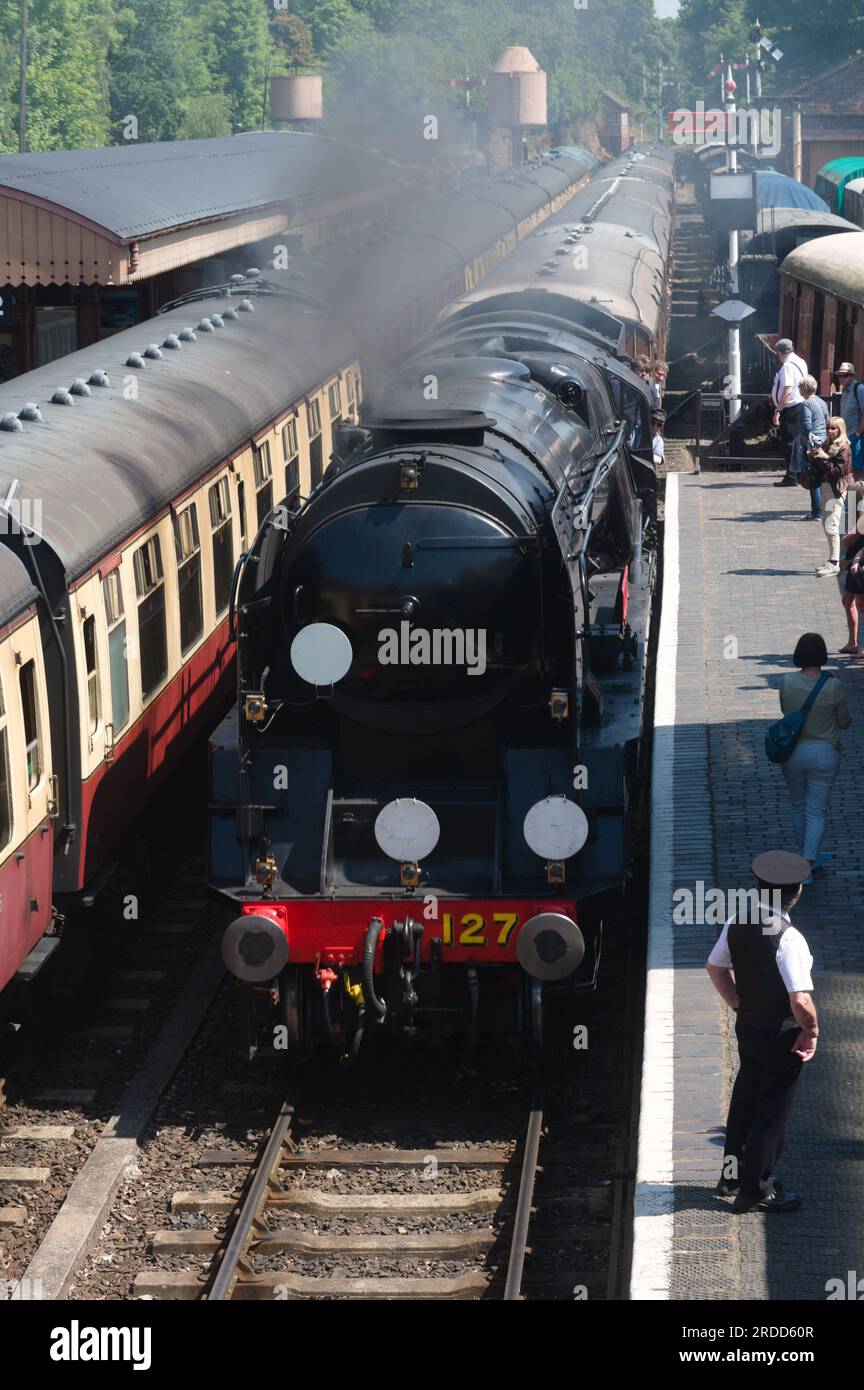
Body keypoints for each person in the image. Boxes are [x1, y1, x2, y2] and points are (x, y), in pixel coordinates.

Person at [707, 850, 818, 1213]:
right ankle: (756, 1190)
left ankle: (731, 1175)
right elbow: (800, 1000)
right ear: (796, 893)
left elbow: (715, 968)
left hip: (749, 1029)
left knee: (745, 1101)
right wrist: (811, 1032)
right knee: (772, 1112)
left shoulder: (737, 921)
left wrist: (738, 1003)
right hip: (780, 1036)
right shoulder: (790, 938)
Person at [778, 632, 850, 869]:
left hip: (793, 752)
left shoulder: (787, 681)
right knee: (816, 810)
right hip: (824, 753)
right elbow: (844, 722)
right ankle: (808, 861)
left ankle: (804, 857)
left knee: (798, 805)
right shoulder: (834, 686)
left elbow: (785, 711)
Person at [808, 416, 852, 576]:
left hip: (837, 488)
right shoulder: (827, 444)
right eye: (828, 428)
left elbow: (836, 471)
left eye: (834, 428)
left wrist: (825, 459)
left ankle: (834, 563)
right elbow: (822, 467)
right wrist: (813, 454)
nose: (830, 431)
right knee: (826, 524)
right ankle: (831, 560)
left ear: (841, 430)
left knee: (832, 525)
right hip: (826, 486)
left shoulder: (844, 447)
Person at [771, 338, 808, 487]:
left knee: (789, 443)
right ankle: (797, 473)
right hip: (799, 405)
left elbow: (786, 391)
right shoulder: (801, 361)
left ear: (779, 352)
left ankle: (791, 476)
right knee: (796, 442)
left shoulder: (787, 366)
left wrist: (778, 410)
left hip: (790, 408)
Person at [793, 377, 828, 520]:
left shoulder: (806, 404)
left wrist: (803, 437)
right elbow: (827, 419)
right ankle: (821, 510)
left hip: (813, 442)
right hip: (824, 440)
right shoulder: (821, 402)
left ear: (803, 389)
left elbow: (807, 426)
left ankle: (816, 512)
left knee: (813, 476)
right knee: (821, 475)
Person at [836, 362, 864, 513]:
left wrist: (858, 433)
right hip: (847, 436)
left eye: (845, 375)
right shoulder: (845, 390)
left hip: (857, 435)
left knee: (858, 469)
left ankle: (858, 503)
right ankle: (854, 502)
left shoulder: (859, 389)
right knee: (849, 468)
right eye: (840, 376)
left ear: (852, 376)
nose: (841, 378)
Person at [838, 516, 864, 656]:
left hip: (858, 565)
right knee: (848, 601)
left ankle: (858, 644)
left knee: (860, 603)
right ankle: (852, 643)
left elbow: (847, 541)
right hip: (856, 561)